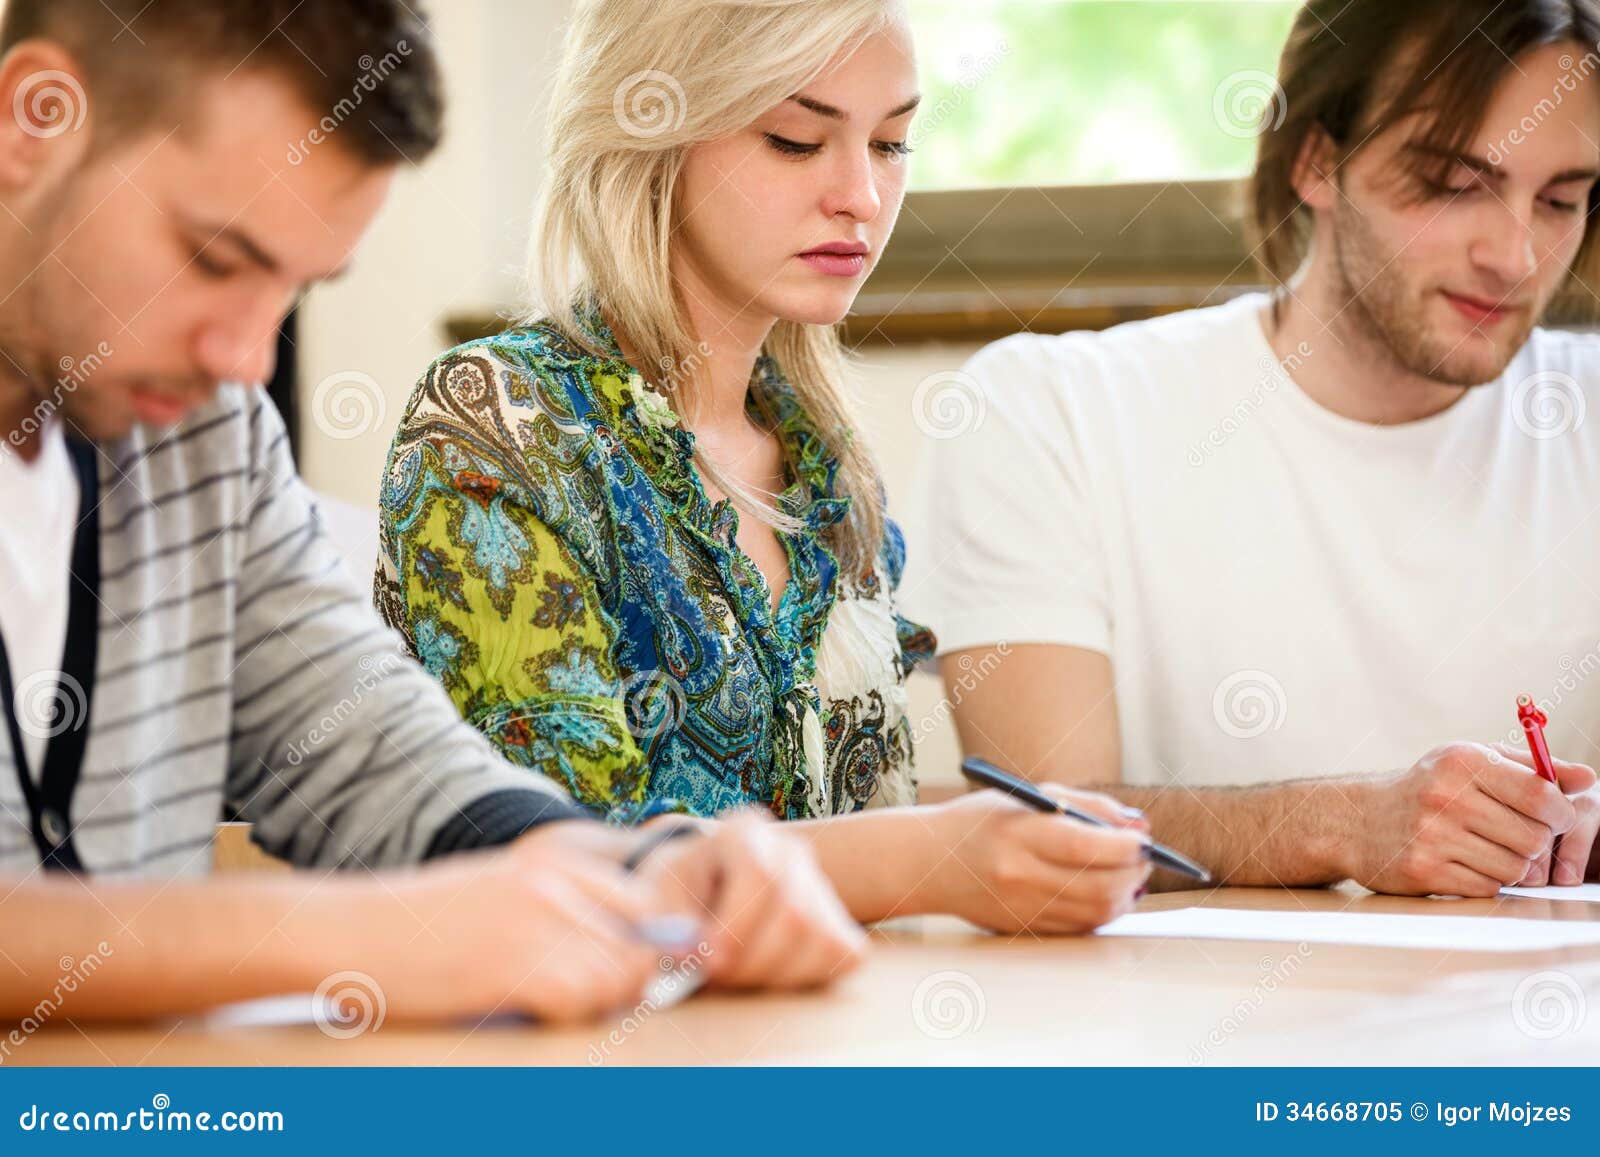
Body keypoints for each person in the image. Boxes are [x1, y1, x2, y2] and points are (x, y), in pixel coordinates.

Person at [0, 0, 867, 1030]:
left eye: (297, 288)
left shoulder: (201, 439)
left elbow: (372, 755)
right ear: (33, 118)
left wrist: (652, 871)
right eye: (217, 259)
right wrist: (366, 937)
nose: (245, 359)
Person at [374, 0, 1153, 935]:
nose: (861, 195)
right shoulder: (491, 429)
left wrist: (1025, 842)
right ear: (649, 135)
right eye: (794, 140)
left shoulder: (829, 465)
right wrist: (942, 855)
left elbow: (849, 824)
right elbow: (578, 865)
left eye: (893, 144)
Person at [910, 0, 1600, 897]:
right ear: (1317, 160)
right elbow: (1049, 821)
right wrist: (1344, 824)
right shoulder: (1053, 411)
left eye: (1560, 201)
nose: (1514, 256)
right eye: (1450, 185)